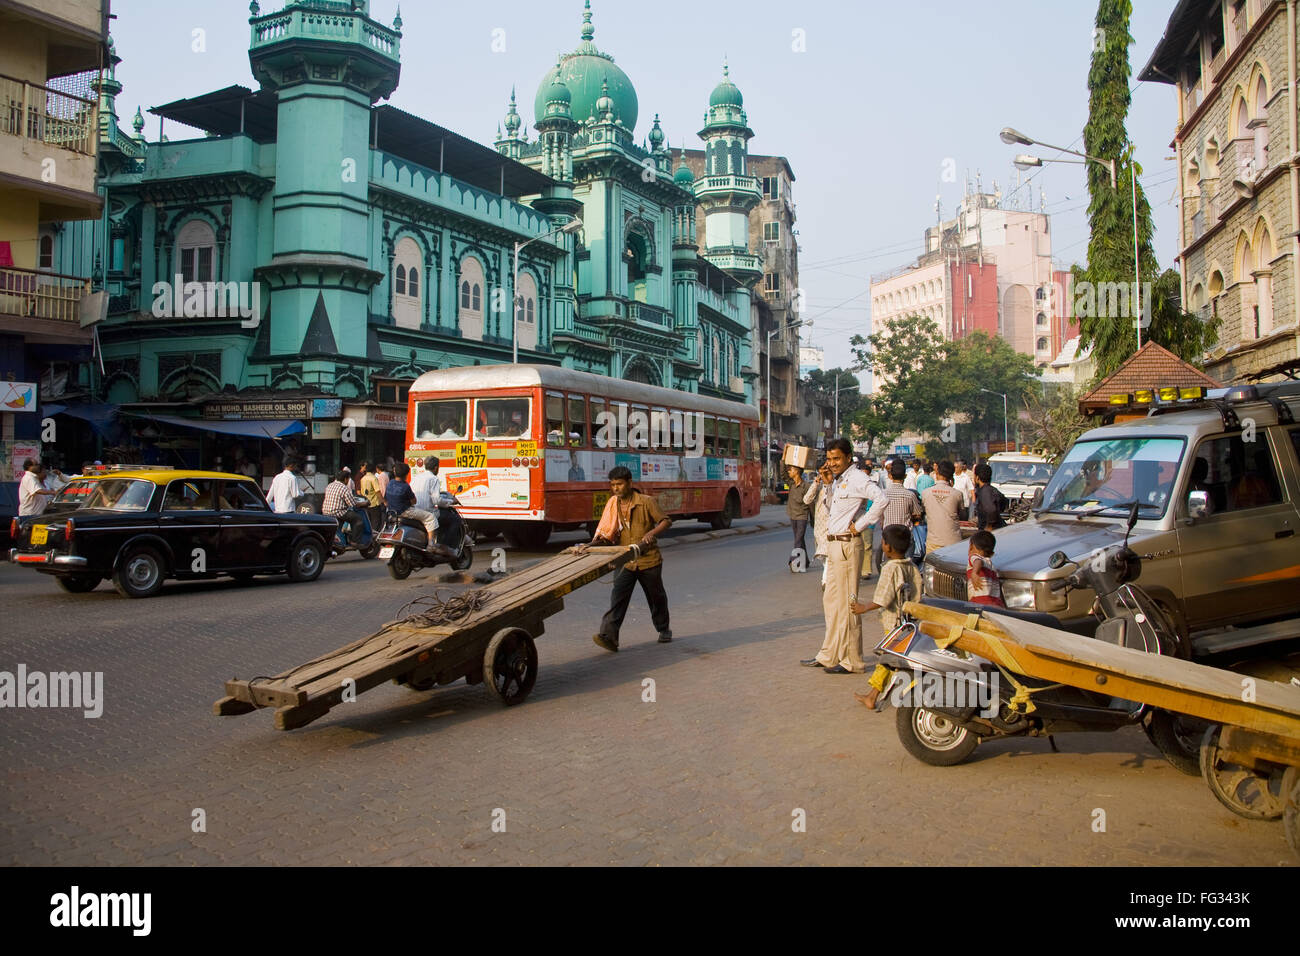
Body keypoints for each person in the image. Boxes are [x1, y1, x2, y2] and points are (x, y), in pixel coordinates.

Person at [800, 438, 879, 674]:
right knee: (831, 603)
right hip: (833, 545)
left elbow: (882, 499)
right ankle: (829, 654)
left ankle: (852, 660)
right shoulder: (839, 480)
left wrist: (861, 524)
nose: (832, 463)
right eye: (829, 458)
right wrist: (828, 485)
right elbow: (832, 510)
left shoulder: (858, 478)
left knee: (849, 604)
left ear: (848, 457)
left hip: (847, 544)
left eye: (836, 459)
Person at [584, 466, 673, 651]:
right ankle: (609, 637)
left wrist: (651, 533)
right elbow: (607, 532)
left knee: (656, 597)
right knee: (618, 598)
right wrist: (588, 546)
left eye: (620, 484)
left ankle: (663, 629)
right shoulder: (612, 505)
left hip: (648, 559)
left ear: (630, 483)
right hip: (625, 560)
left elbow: (666, 521)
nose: (616, 488)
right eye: (613, 485)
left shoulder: (646, 502)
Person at [851, 524, 924, 709]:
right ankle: (873, 694)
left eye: (882, 541)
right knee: (893, 658)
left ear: (887, 546)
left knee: (888, 659)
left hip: (894, 622)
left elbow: (883, 598)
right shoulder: (912, 566)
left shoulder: (890, 568)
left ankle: (874, 696)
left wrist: (863, 608)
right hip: (910, 621)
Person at [863, 458, 923, 572]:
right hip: (905, 536)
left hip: (888, 536)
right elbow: (917, 513)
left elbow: (879, 513)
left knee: (887, 566)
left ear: (890, 476)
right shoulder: (910, 495)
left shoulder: (883, 494)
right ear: (905, 477)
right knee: (908, 565)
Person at [386, 462, 440, 551]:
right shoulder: (405, 486)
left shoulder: (390, 483)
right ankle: (431, 544)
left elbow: (386, 499)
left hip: (392, 512)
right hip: (405, 512)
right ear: (406, 474)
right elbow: (414, 501)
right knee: (430, 517)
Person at [921, 460, 963, 554]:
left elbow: (924, 510)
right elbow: (961, 513)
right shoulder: (957, 494)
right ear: (952, 475)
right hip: (953, 541)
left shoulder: (926, 493)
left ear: (937, 472)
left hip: (934, 541)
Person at [323, 469, 369, 546]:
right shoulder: (344, 488)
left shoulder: (329, 485)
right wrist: (365, 503)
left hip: (326, 511)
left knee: (348, 516)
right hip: (338, 512)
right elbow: (353, 504)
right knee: (358, 519)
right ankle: (355, 541)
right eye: (348, 479)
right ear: (345, 479)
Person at [966, 530, 1005, 607]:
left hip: (978, 602)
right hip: (994, 603)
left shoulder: (974, 557)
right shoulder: (990, 564)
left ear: (971, 546)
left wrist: (974, 573)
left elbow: (978, 562)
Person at [785, 464, 811, 570]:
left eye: (790, 470)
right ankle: (806, 560)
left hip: (802, 516)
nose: (789, 472)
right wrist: (784, 458)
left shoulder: (806, 486)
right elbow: (783, 473)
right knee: (799, 539)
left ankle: (794, 561)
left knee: (798, 540)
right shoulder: (791, 484)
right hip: (793, 515)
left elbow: (810, 502)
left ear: (796, 471)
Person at [973, 463, 1008, 531]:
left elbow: (991, 510)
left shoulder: (985, 491)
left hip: (989, 531)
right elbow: (1004, 502)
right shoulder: (992, 490)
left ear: (977, 477)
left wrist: (989, 526)